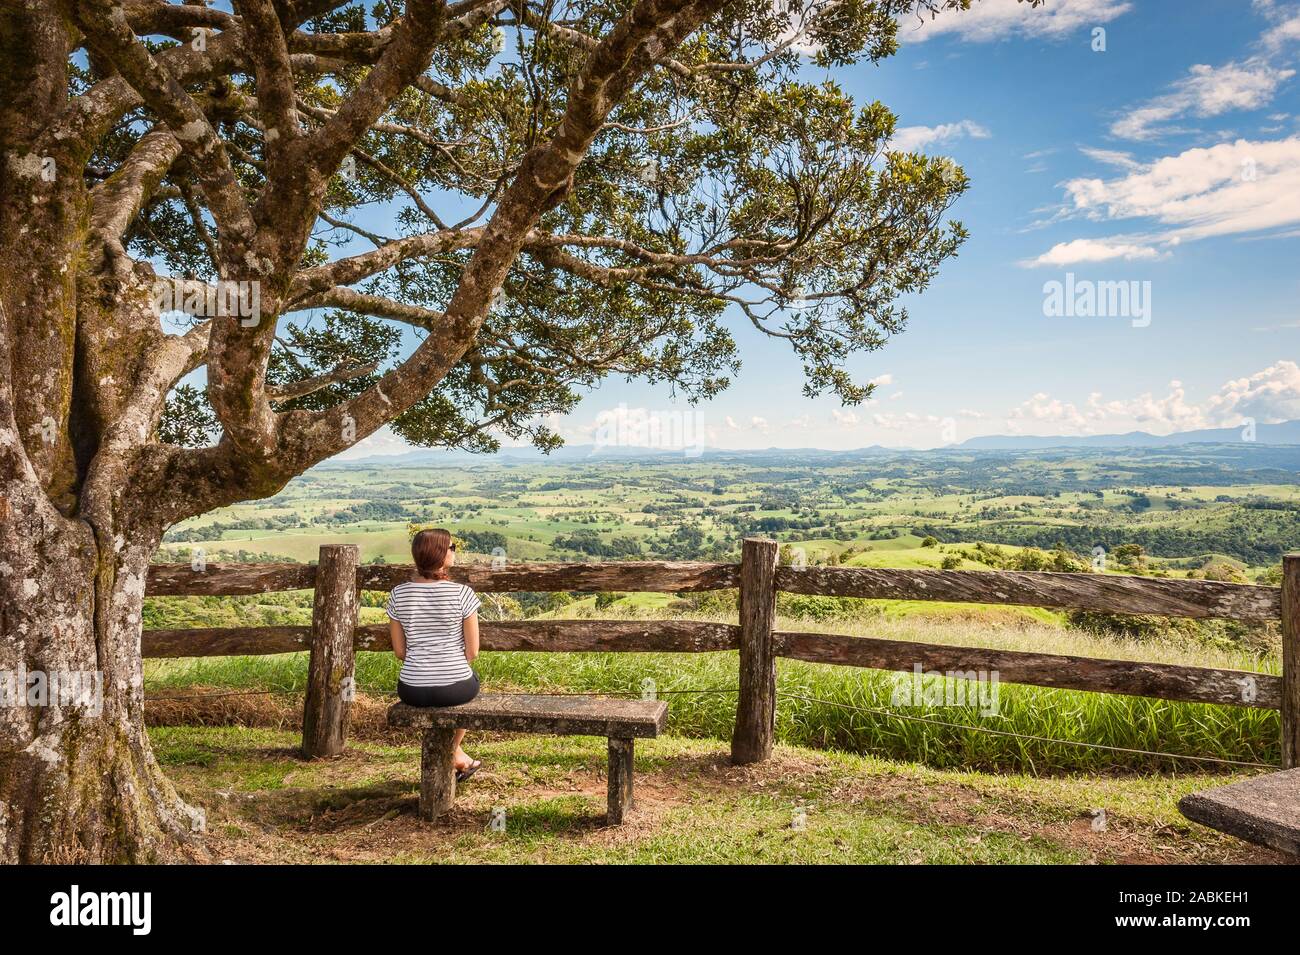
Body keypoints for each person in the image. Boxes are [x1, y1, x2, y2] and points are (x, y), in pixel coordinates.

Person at [386, 528, 483, 781]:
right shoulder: (462, 594)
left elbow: (400, 651)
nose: (454, 552)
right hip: (455, 686)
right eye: (451, 547)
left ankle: (458, 756)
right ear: (440, 554)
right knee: (472, 685)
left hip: (411, 688)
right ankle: (452, 752)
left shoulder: (398, 594)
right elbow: (472, 651)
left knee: (449, 690)